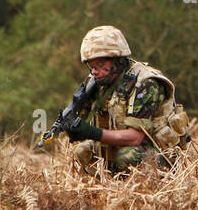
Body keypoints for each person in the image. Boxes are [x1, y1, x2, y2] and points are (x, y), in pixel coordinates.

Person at [64, 25, 191, 175]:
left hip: (155, 153)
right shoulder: (99, 81)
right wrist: (72, 121)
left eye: (100, 65)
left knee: (128, 156)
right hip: (118, 148)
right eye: (90, 66)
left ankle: (144, 190)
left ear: (118, 60)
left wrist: (91, 132)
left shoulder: (146, 83)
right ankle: (106, 190)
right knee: (82, 150)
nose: (94, 72)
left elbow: (135, 138)